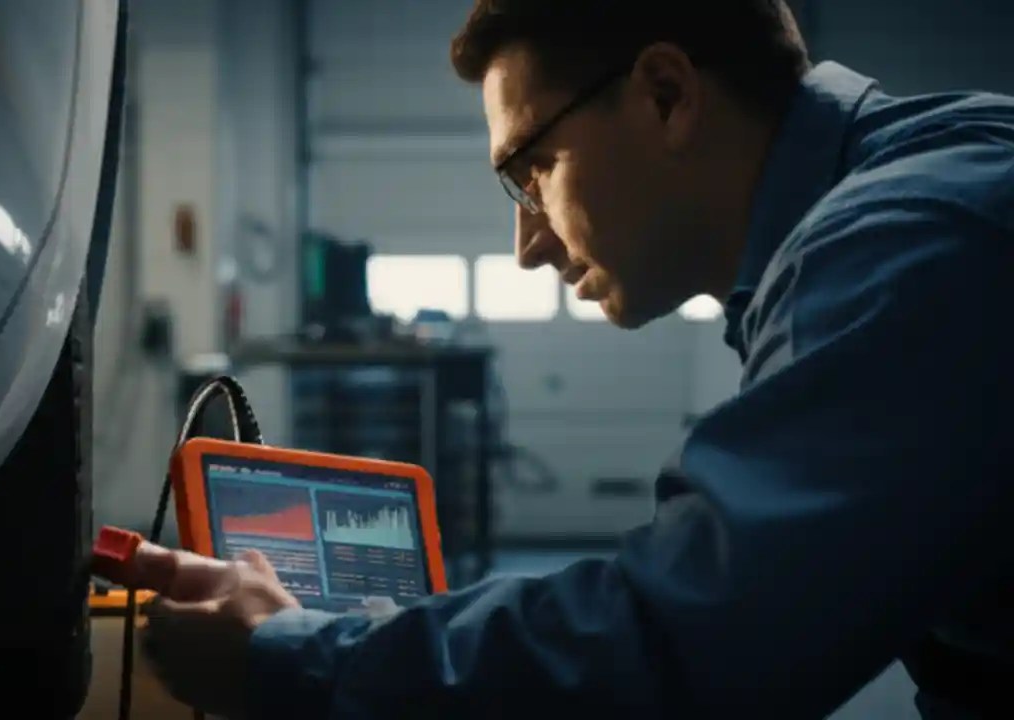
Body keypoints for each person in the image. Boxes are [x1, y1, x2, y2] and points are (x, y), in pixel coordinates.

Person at [139, 1, 1014, 717]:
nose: (525, 244)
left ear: (666, 93)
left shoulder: (911, 244)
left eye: (533, 172)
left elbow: (692, 641)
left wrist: (294, 658)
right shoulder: (923, 182)